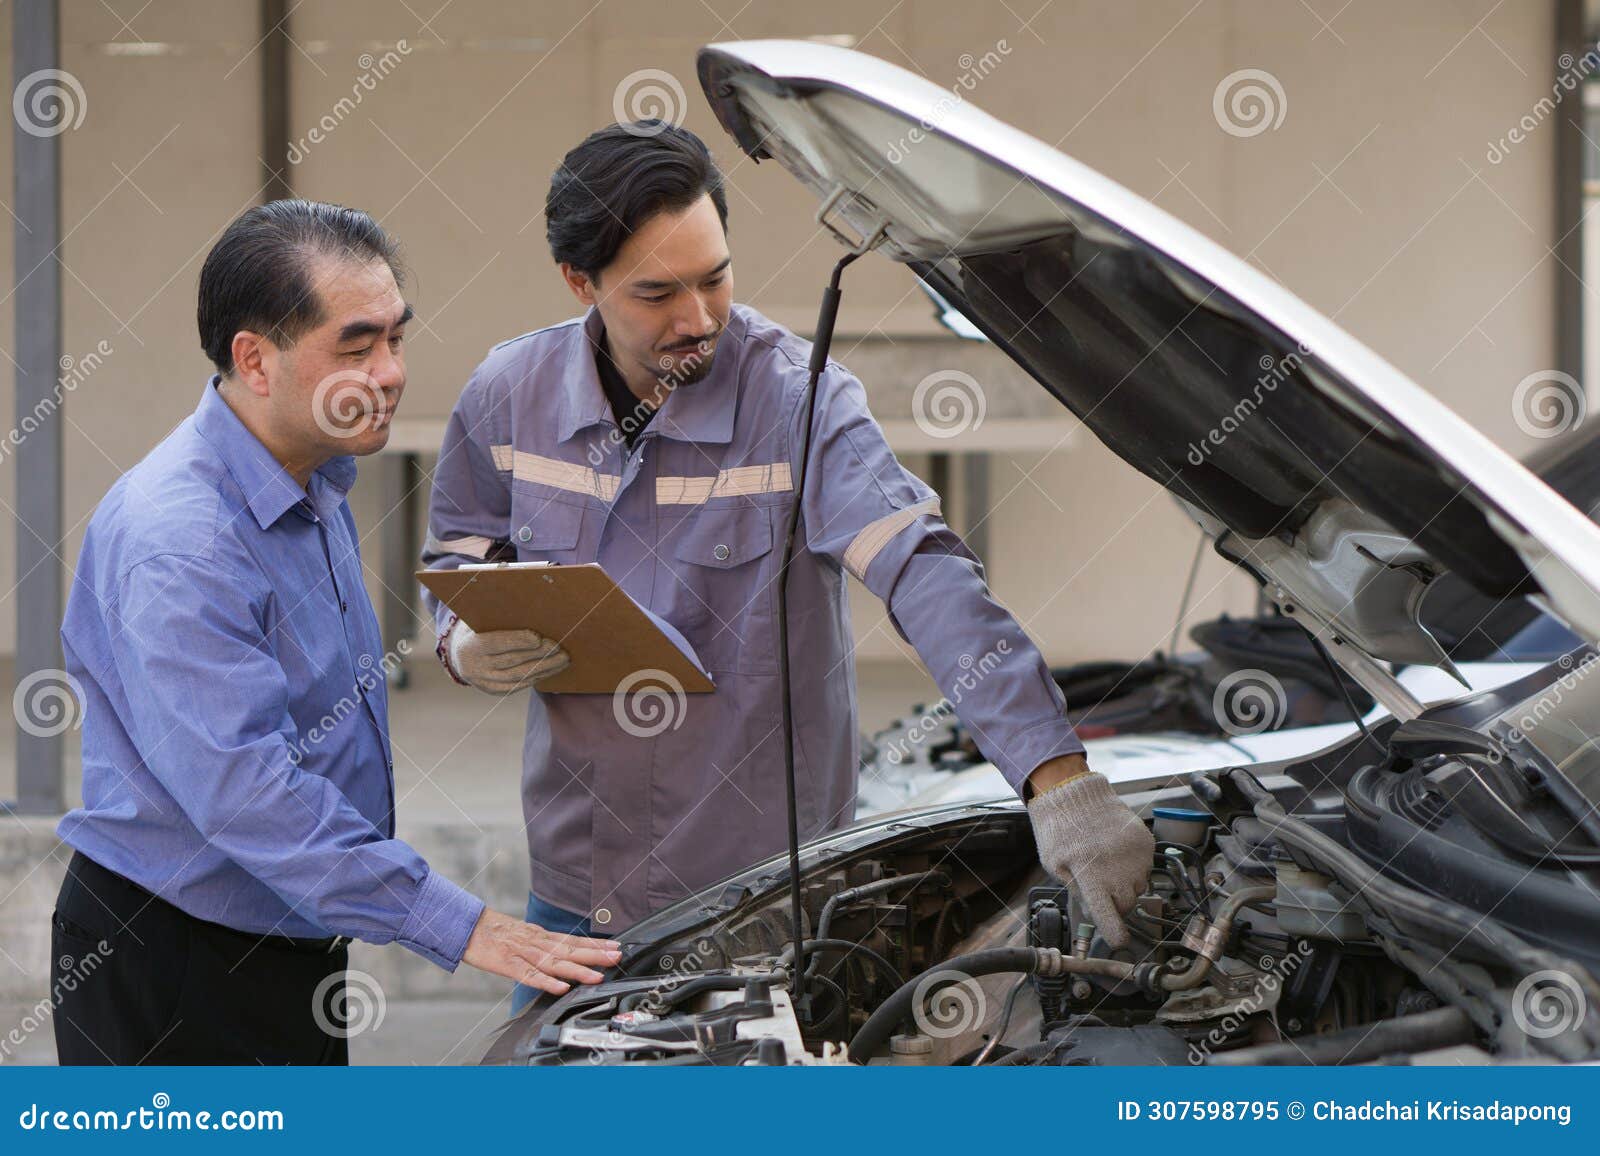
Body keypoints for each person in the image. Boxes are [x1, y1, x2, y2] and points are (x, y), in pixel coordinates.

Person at [422, 124, 1152, 1012]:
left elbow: (922, 570)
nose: (698, 317)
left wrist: (1057, 779)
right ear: (582, 281)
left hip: (765, 899)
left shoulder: (797, 401)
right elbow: (460, 546)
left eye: (715, 276)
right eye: (657, 292)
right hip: (576, 892)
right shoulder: (508, 394)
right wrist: (463, 642)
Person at [51, 200, 619, 1065]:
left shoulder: (313, 480)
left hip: (289, 934)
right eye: (356, 347)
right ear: (256, 359)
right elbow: (250, 792)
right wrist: (457, 924)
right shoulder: (181, 541)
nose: (390, 372)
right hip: (174, 963)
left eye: (396, 338)